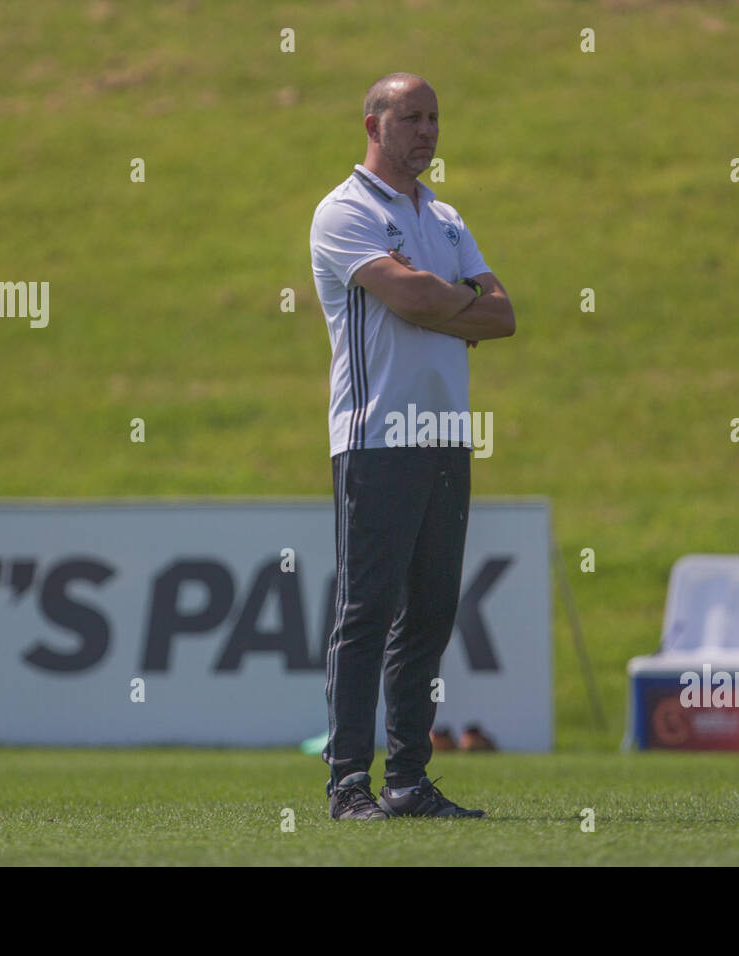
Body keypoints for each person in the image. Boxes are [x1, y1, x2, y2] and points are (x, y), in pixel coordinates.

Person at [308, 72, 515, 819]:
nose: (427, 131)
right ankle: (345, 784)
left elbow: (504, 316)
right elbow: (415, 299)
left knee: (429, 613)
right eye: (412, 117)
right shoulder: (344, 211)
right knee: (366, 611)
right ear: (373, 123)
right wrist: (446, 301)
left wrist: (439, 301)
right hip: (376, 435)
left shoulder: (449, 217)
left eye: (434, 118)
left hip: (445, 436)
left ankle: (408, 780)